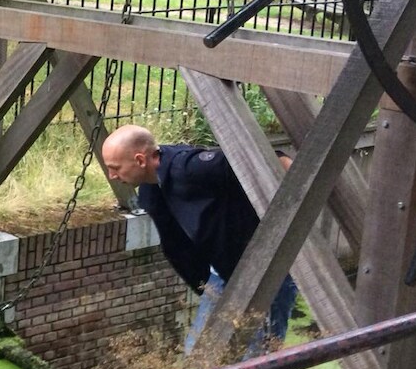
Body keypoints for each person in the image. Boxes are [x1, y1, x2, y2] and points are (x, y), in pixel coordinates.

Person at [101, 124, 299, 355]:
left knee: (256, 361)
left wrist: (295, 205)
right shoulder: (150, 191)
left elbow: (270, 160)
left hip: (265, 274)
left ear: (140, 160)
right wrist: (205, 286)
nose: (111, 176)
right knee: (199, 359)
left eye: (115, 168)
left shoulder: (190, 168)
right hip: (221, 278)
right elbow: (176, 246)